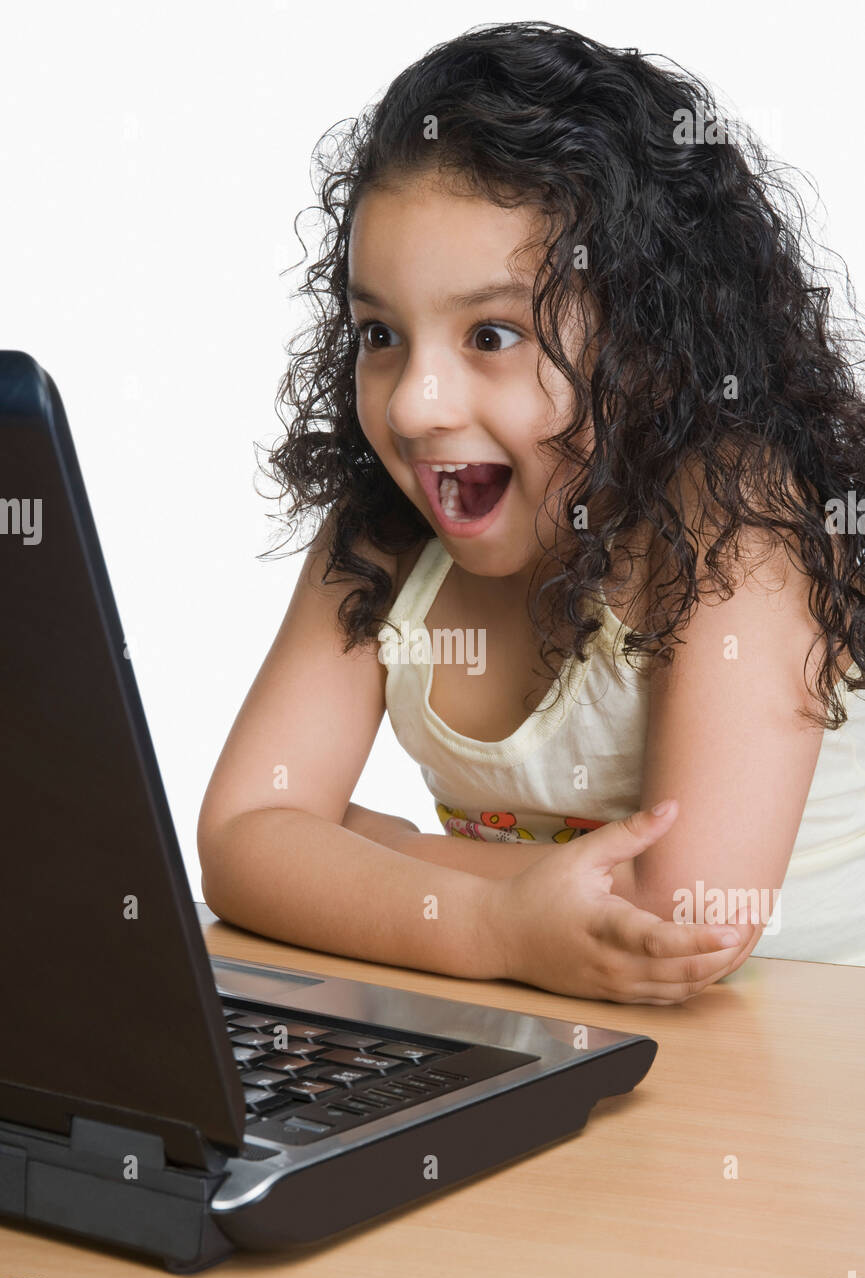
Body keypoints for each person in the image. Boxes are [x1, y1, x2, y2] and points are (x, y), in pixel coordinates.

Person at [198, 22, 865, 1002]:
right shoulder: (384, 538)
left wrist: (376, 851)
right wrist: (494, 926)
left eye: (491, 335)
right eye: (380, 333)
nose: (413, 404)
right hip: (551, 1038)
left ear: (650, 349)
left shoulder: (738, 523)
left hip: (793, 1062)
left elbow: (683, 921)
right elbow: (239, 839)